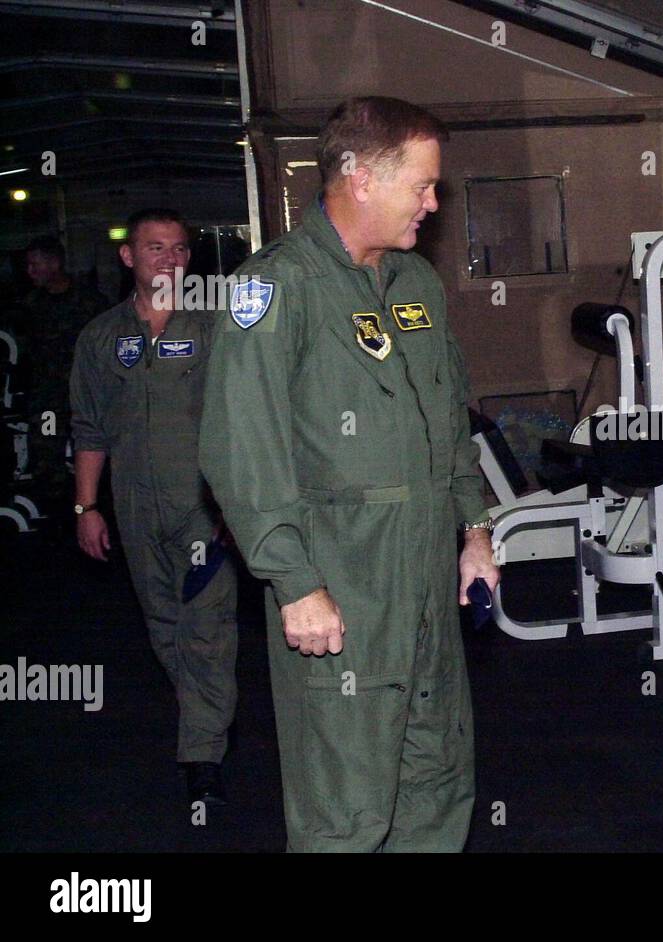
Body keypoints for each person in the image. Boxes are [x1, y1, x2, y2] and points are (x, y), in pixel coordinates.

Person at [199, 96, 499, 852]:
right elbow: (242, 450)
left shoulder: (415, 286)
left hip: (428, 568)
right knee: (347, 798)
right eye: (423, 186)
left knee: (435, 774)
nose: (433, 205)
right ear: (360, 178)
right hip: (344, 579)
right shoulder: (274, 289)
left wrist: (474, 530)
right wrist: (294, 581)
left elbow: (449, 418)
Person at [69, 209, 238, 807]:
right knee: (164, 626)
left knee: (208, 629)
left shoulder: (216, 328)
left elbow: (239, 420)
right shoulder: (100, 338)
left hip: (202, 506)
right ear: (128, 258)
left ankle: (202, 755)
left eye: (180, 249)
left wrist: (231, 504)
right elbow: (89, 429)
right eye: (155, 248)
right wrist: (86, 507)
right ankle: (208, 717)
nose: (170, 259)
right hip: (135, 507)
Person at [12, 236, 108, 516]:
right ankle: (55, 518)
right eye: (27, 265)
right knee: (47, 457)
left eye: (35, 264)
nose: (30, 271)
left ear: (54, 263)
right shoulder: (29, 305)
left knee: (97, 455)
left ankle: (97, 512)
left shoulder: (89, 301)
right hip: (48, 401)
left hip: (88, 397)